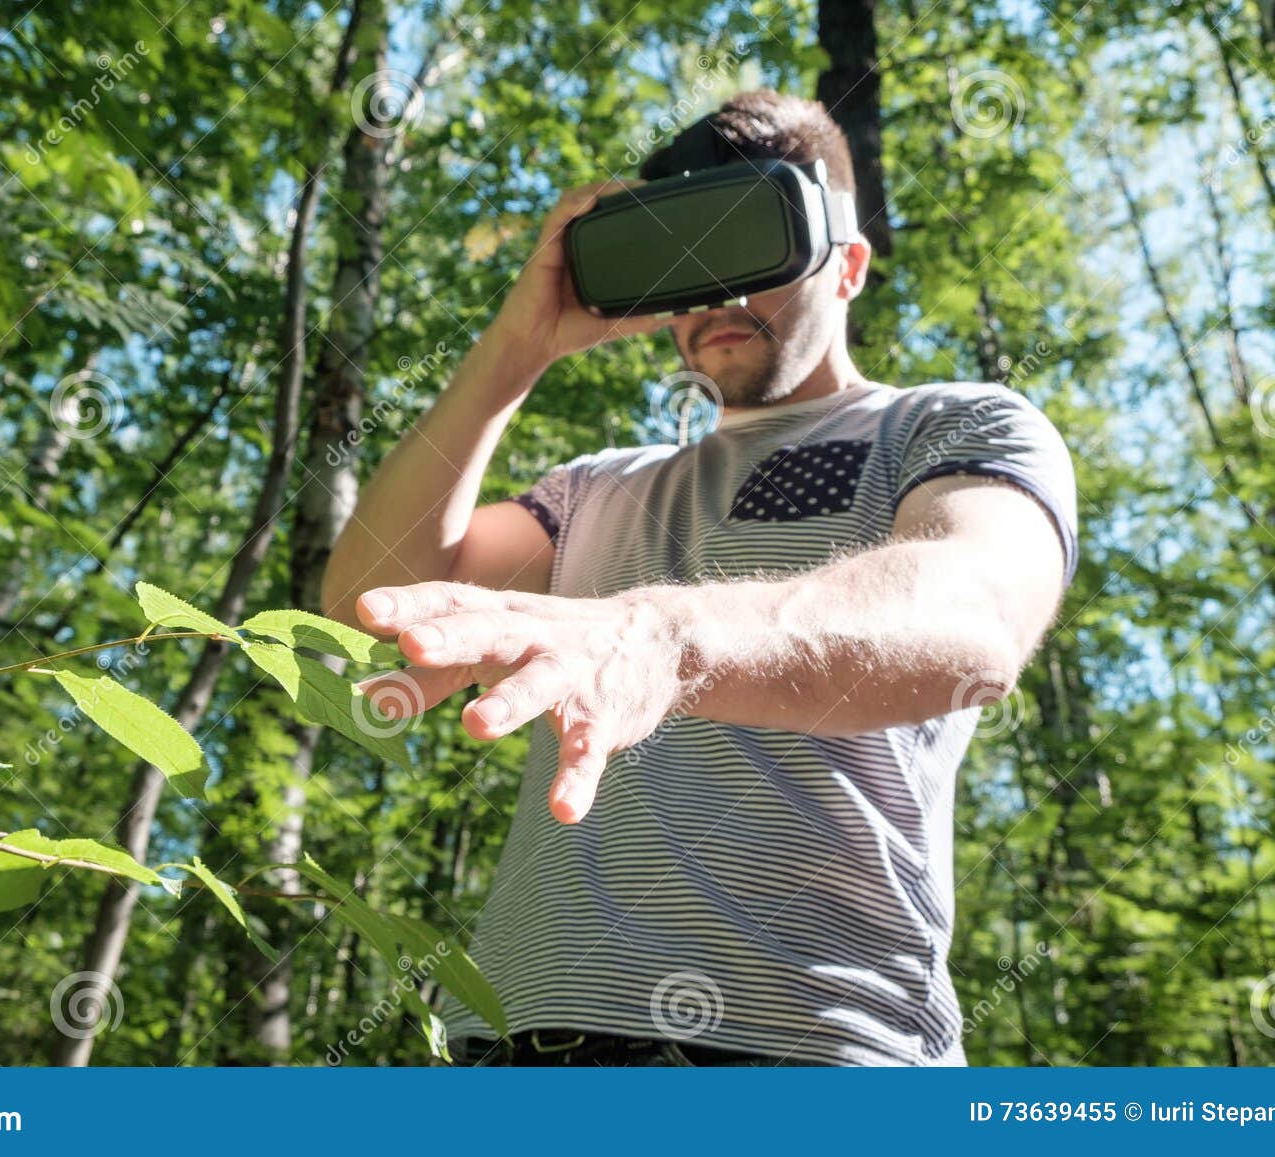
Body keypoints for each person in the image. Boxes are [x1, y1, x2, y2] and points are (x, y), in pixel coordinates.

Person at [319, 90, 1078, 1066]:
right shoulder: (594, 488)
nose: (715, 293)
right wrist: (515, 347)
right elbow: (366, 601)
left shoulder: (952, 426)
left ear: (846, 263)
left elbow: (970, 620)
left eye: (749, 246)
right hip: (510, 1051)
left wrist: (659, 638)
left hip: (813, 1052)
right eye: (689, 257)